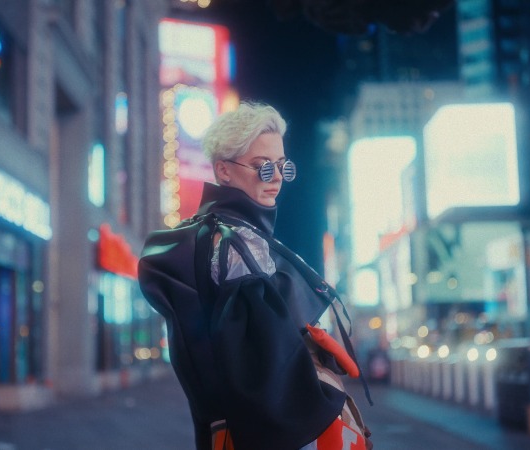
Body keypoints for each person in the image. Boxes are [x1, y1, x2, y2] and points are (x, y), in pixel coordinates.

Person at [139, 102, 372, 450]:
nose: (276, 178)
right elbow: (267, 368)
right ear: (224, 170)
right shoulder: (236, 244)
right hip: (267, 434)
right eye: (263, 167)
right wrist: (328, 398)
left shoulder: (219, 234)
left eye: (282, 166)